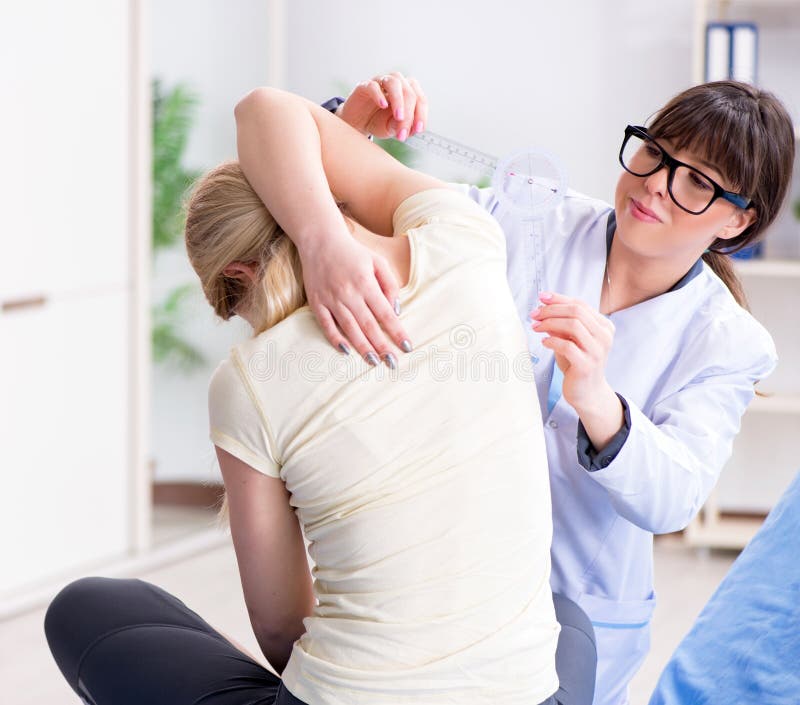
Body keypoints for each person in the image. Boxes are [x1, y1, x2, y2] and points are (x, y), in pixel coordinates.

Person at [43, 86, 598, 705]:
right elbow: (266, 108)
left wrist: (318, 241)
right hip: (533, 696)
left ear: (238, 275)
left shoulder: (249, 380)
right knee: (565, 619)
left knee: (88, 606)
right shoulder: (464, 242)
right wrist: (324, 233)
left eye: (234, 307)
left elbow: (280, 628)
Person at [296, 75, 796, 705]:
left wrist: (599, 403)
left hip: (575, 613)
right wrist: (354, 133)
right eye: (656, 151)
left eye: (698, 181)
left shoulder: (730, 343)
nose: (657, 185)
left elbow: (674, 500)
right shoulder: (531, 213)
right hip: (440, 567)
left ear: (738, 221)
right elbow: (387, 209)